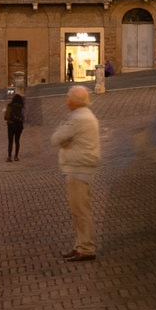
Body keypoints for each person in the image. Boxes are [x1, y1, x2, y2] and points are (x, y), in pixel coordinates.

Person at [50, 84, 101, 262]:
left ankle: (86, 248)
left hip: (78, 169)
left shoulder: (78, 118)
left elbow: (56, 138)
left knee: (80, 211)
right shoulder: (85, 116)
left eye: (67, 97)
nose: (66, 100)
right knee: (79, 210)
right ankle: (80, 245)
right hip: (80, 168)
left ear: (74, 100)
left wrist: (64, 140)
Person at [4, 88, 27, 161]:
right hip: (19, 126)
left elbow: (6, 117)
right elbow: (24, 117)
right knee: (17, 141)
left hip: (11, 125)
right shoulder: (21, 107)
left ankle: (9, 157)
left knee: (10, 141)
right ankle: (16, 157)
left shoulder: (9, 106)